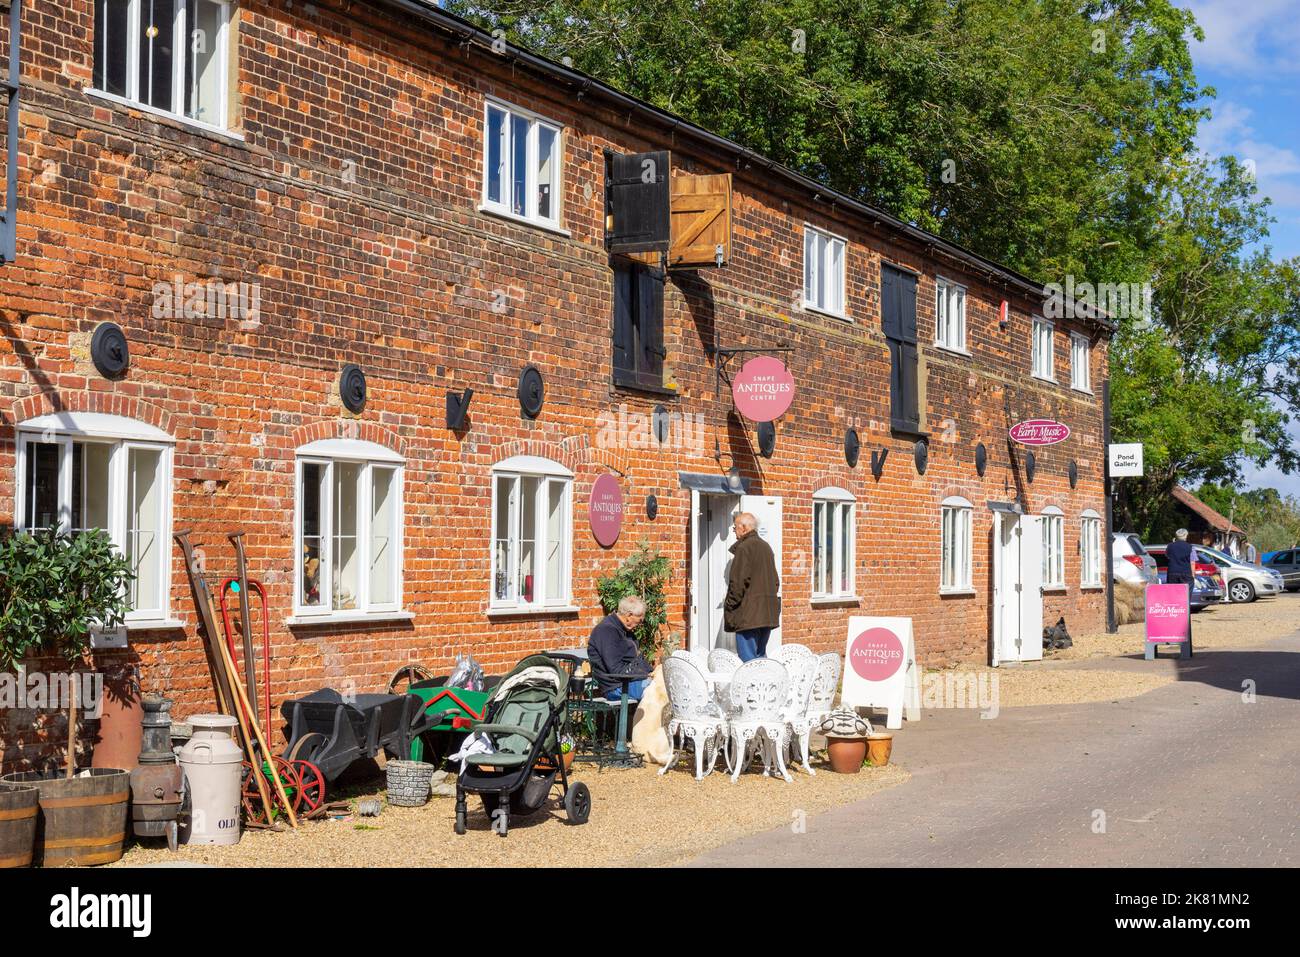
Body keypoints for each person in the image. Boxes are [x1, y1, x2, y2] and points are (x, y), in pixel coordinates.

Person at [725, 511, 781, 661]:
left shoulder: (744, 548)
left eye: (735, 527)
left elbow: (737, 584)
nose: (734, 531)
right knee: (760, 657)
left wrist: (729, 606)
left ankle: (753, 685)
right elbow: (775, 582)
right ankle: (765, 685)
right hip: (766, 615)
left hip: (748, 617)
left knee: (748, 661)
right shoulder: (766, 547)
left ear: (743, 528)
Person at [586, 595, 652, 701]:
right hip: (615, 687)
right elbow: (616, 670)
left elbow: (637, 660)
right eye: (639, 620)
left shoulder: (626, 632)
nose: (640, 624)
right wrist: (645, 674)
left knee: (666, 684)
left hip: (628, 682)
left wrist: (652, 672)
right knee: (658, 689)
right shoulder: (607, 630)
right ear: (629, 615)